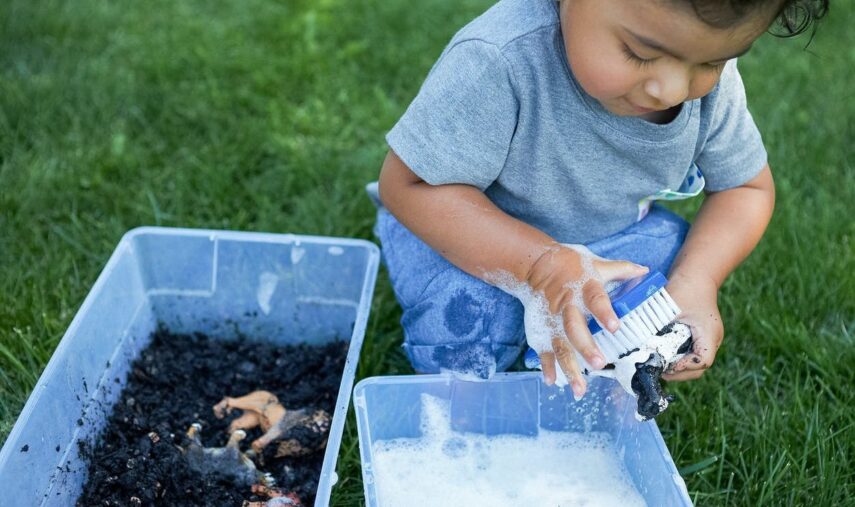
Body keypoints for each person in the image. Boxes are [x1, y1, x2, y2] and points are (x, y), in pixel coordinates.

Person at [369, 0, 828, 398]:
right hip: (470, 242)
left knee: (673, 266)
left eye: (711, 63)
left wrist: (698, 281)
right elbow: (411, 186)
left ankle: (601, 366)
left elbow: (745, 189)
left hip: (603, 242)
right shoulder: (502, 58)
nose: (671, 90)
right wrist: (540, 267)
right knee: (464, 318)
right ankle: (483, 391)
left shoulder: (704, 83)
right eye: (640, 53)